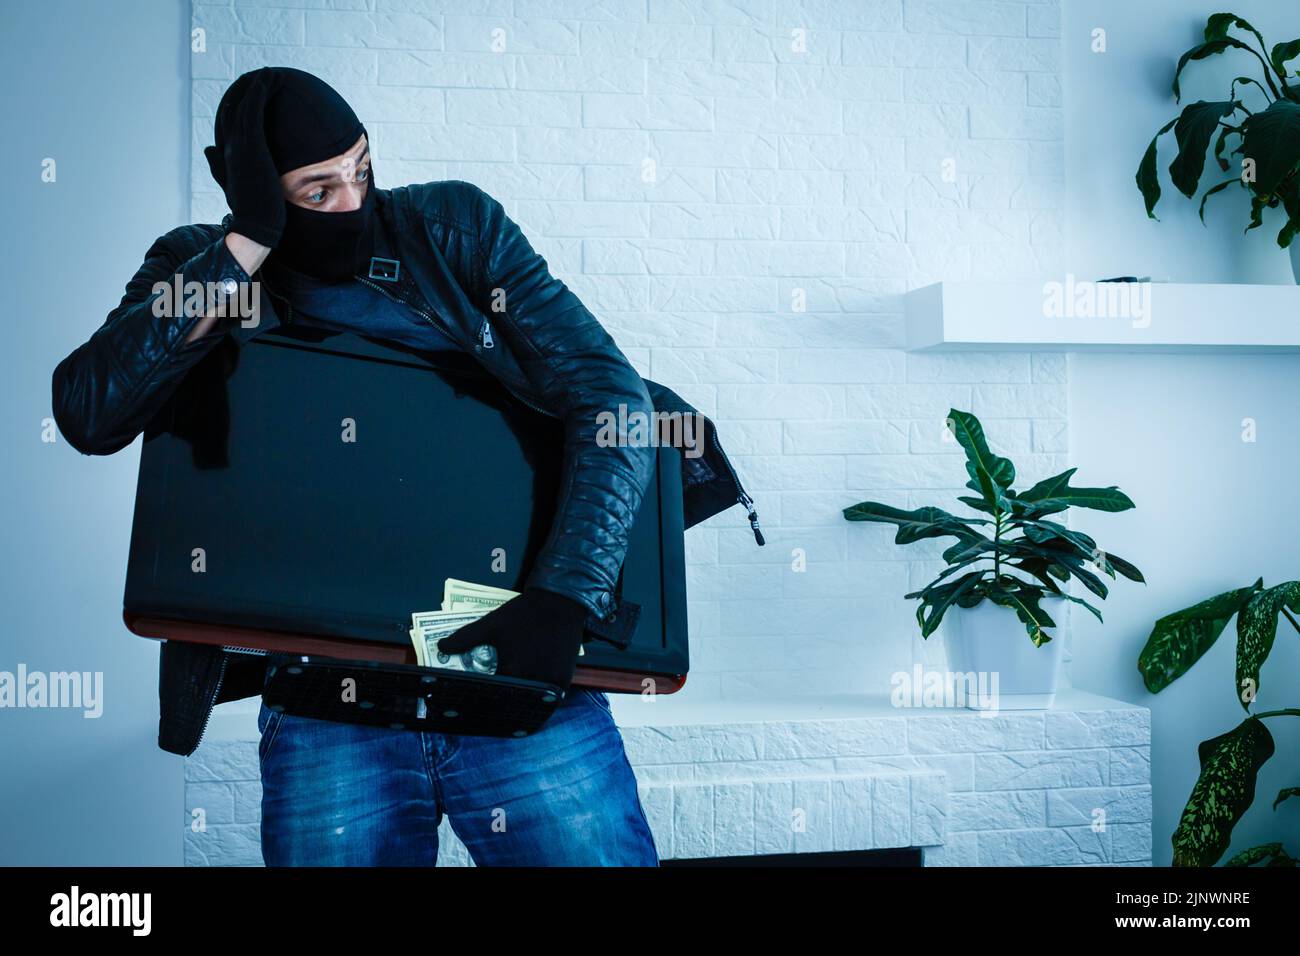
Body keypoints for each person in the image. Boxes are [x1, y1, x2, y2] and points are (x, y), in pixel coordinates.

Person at [52, 66, 663, 866]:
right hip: (325, 698)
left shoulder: (456, 230)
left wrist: (564, 598)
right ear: (255, 193)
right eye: (316, 191)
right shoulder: (196, 267)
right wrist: (240, 252)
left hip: (506, 659)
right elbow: (89, 411)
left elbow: (610, 394)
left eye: (362, 171)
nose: (352, 204)